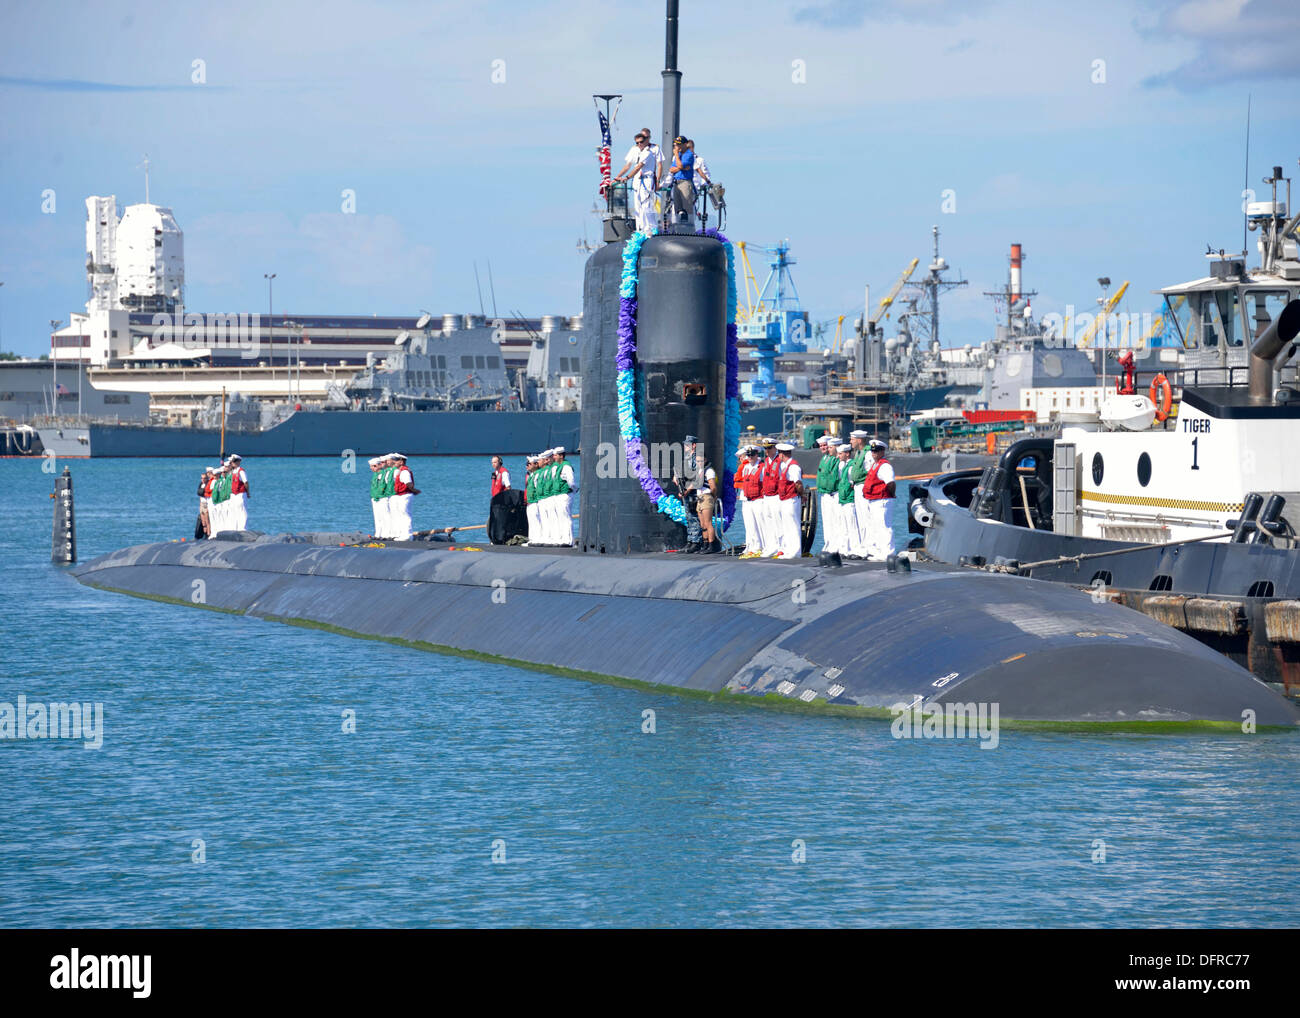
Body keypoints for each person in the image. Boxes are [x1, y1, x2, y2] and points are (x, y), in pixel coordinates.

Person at [613, 130, 660, 234]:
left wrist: (627, 177)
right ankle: (641, 229)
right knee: (638, 206)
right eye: (637, 143)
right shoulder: (638, 152)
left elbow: (638, 167)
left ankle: (651, 229)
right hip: (638, 180)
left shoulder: (648, 152)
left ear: (646, 141)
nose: (639, 144)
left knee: (646, 205)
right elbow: (628, 166)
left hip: (647, 180)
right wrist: (618, 177)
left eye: (641, 142)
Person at [862, 438, 896, 560]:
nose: (874, 453)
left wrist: (890, 494)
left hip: (882, 500)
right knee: (875, 527)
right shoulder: (875, 465)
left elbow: (890, 483)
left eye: (876, 451)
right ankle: (879, 552)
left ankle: (888, 553)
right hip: (873, 500)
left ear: (882, 452)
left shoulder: (884, 466)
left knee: (884, 527)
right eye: (872, 451)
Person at [774, 443, 804, 558]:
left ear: (782, 454)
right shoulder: (785, 466)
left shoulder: (793, 467)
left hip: (791, 499)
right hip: (785, 499)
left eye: (779, 453)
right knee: (787, 526)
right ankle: (789, 550)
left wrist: (801, 495)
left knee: (793, 525)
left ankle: (796, 551)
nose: (779, 456)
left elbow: (798, 483)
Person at [846, 430, 871, 558]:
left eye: (852, 439)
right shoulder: (858, 453)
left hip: (863, 487)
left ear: (859, 440)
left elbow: (870, 472)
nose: (850, 441)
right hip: (857, 486)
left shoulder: (867, 453)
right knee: (860, 519)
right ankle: (863, 547)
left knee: (866, 518)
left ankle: (869, 548)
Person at [814, 435, 840, 555]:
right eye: (821, 446)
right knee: (827, 521)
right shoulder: (824, 459)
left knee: (835, 521)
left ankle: (835, 546)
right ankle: (828, 544)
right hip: (824, 494)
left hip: (832, 494)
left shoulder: (834, 459)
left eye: (825, 445)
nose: (823, 448)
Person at [663, 135, 695, 228]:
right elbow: (672, 169)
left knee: (687, 206)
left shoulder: (688, 154)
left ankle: (689, 227)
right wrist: (681, 167)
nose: (677, 147)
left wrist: (677, 156)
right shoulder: (679, 155)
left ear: (685, 144)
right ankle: (679, 226)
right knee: (678, 207)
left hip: (685, 182)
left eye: (679, 144)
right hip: (676, 182)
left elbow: (680, 166)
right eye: (676, 145)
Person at [738, 446, 764, 557]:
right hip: (748, 500)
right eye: (748, 455)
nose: (750, 457)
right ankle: (752, 546)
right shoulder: (746, 468)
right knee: (750, 525)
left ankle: (760, 546)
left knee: (760, 524)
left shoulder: (761, 467)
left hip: (758, 499)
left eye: (752, 455)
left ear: (757, 455)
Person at [758, 438, 781, 556]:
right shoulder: (767, 461)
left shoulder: (779, 461)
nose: (766, 450)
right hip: (767, 496)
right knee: (768, 522)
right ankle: (771, 546)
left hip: (776, 496)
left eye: (769, 448)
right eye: (765, 448)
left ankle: (780, 546)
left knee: (778, 523)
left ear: (775, 448)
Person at [390, 453, 420, 541]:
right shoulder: (400, 471)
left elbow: (408, 483)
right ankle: (402, 534)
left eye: (396, 460)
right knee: (401, 515)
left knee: (405, 515)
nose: (394, 462)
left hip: (405, 495)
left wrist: (414, 490)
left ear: (401, 462)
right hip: (401, 495)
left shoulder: (404, 471)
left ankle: (408, 535)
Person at [551, 446, 577, 547]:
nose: (554, 457)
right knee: (561, 517)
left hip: (565, 494)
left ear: (561, 456)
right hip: (559, 494)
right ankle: (563, 539)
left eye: (555, 455)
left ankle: (569, 540)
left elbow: (571, 482)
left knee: (566, 517)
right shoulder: (559, 466)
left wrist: (573, 491)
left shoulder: (566, 467)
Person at [834, 444, 856, 555]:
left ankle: (853, 550)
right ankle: (845, 550)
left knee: (851, 526)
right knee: (844, 526)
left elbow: (853, 484)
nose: (838, 456)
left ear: (847, 454)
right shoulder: (844, 466)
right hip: (843, 500)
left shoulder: (851, 467)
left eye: (840, 454)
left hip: (849, 500)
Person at [227, 454, 250, 531]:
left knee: (242, 510)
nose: (232, 463)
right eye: (232, 462)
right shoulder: (233, 471)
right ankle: (236, 527)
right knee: (235, 510)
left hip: (240, 493)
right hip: (233, 494)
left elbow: (245, 482)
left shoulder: (241, 471)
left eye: (234, 461)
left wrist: (248, 492)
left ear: (238, 462)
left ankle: (243, 528)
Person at [196, 466, 215, 539]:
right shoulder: (201, 484)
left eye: (204, 478)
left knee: (207, 520)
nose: (203, 480)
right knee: (203, 520)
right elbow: (199, 494)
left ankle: (209, 533)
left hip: (206, 503)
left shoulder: (208, 484)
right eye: (202, 478)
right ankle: (205, 533)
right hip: (202, 503)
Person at [368, 457, 384, 536]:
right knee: (377, 517)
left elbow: (382, 486)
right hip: (374, 497)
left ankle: (384, 533)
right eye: (371, 466)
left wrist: (378, 495)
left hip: (381, 498)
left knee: (382, 516)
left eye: (374, 466)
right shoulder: (375, 475)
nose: (371, 468)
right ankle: (378, 533)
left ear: (379, 465)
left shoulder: (382, 474)